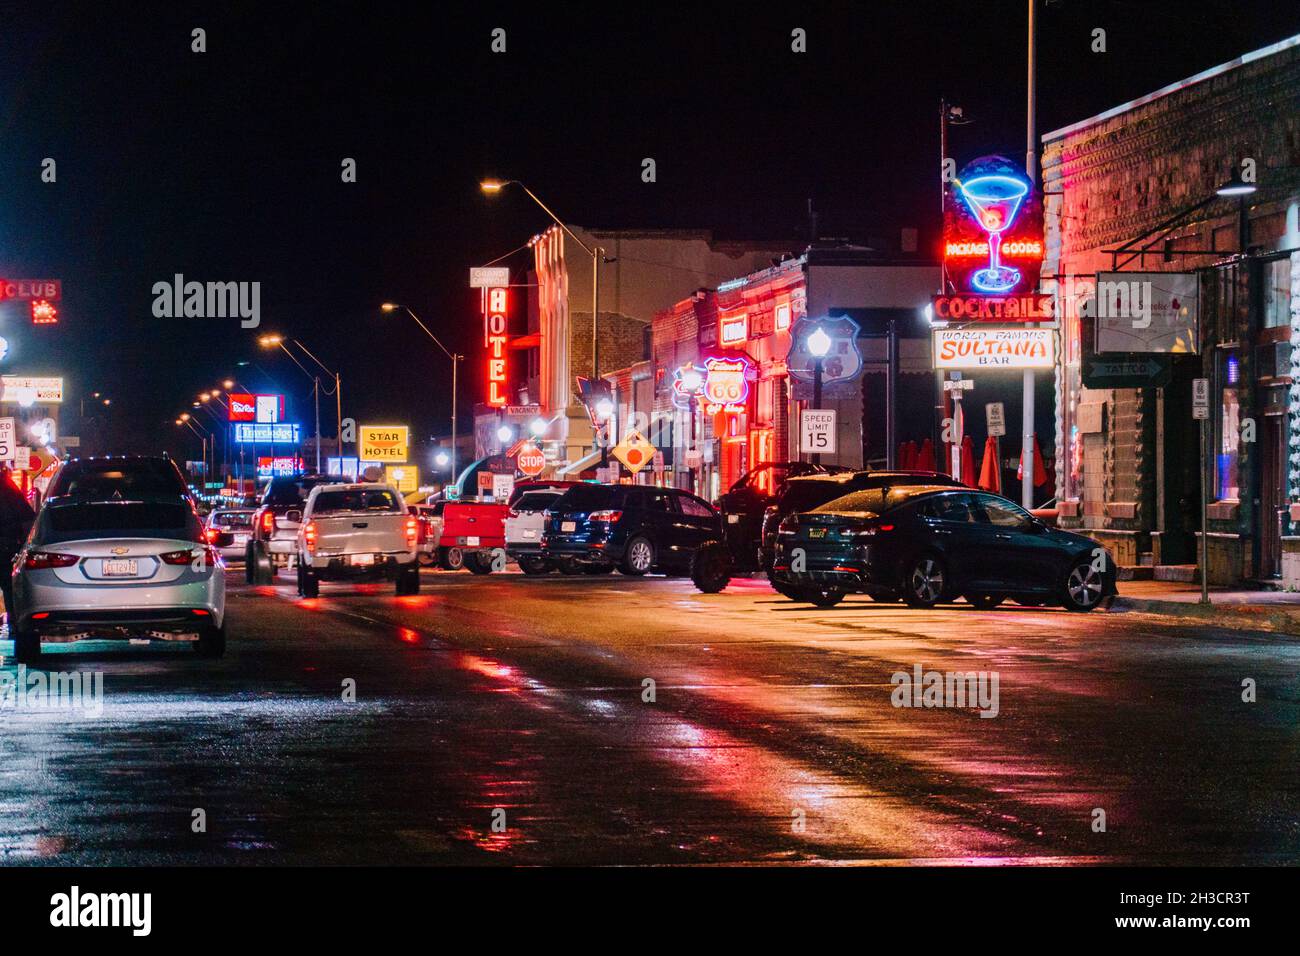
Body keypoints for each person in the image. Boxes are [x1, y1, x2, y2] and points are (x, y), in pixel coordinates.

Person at [0, 467, 36, 624]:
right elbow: (27, 517)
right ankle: (13, 622)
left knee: (8, 586)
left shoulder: (7, 488)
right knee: (9, 586)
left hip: (6, 544)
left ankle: (13, 622)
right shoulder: (8, 489)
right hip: (7, 544)